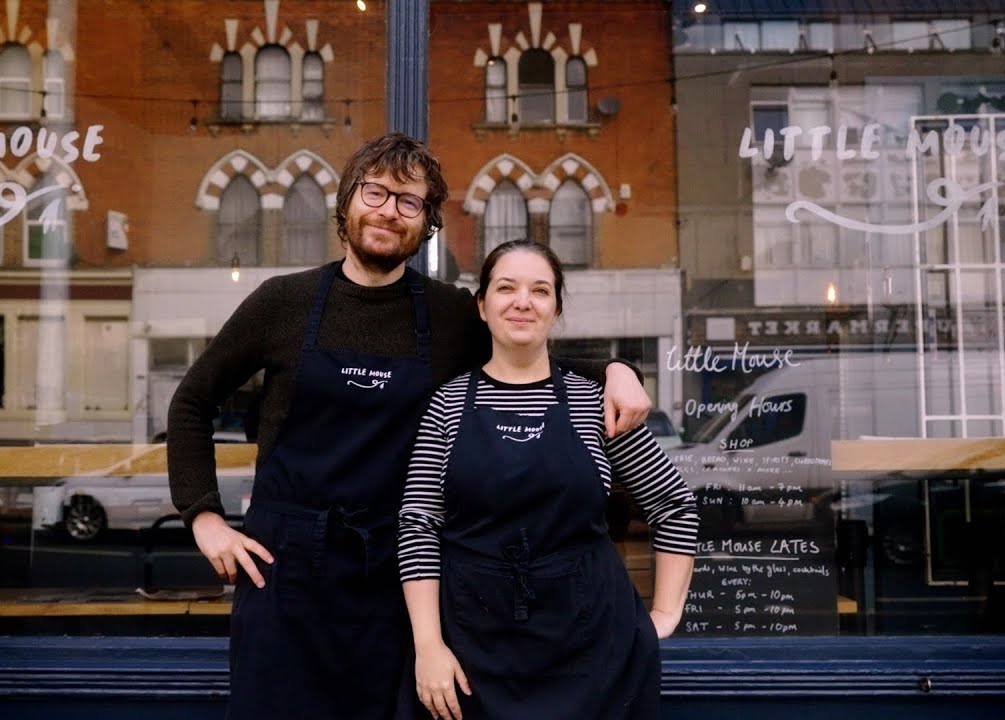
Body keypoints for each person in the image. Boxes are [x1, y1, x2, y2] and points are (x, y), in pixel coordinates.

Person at [166, 134, 653, 720]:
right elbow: (192, 402)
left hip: (395, 582)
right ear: (347, 202)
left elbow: (528, 353)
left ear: (426, 224)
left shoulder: (449, 312)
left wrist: (615, 371)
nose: (388, 211)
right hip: (285, 575)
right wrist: (205, 516)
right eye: (375, 192)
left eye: (409, 202)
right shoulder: (282, 302)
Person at [399, 240, 699, 720]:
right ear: (481, 305)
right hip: (472, 652)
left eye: (540, 290)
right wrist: (429, 645)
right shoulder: (448, 404)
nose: (523, 301)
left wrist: (663, 614)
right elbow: (418, 526)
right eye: (506, 288)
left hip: (592, 651)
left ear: (556, 309)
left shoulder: (594, 402)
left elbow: (673, 505)